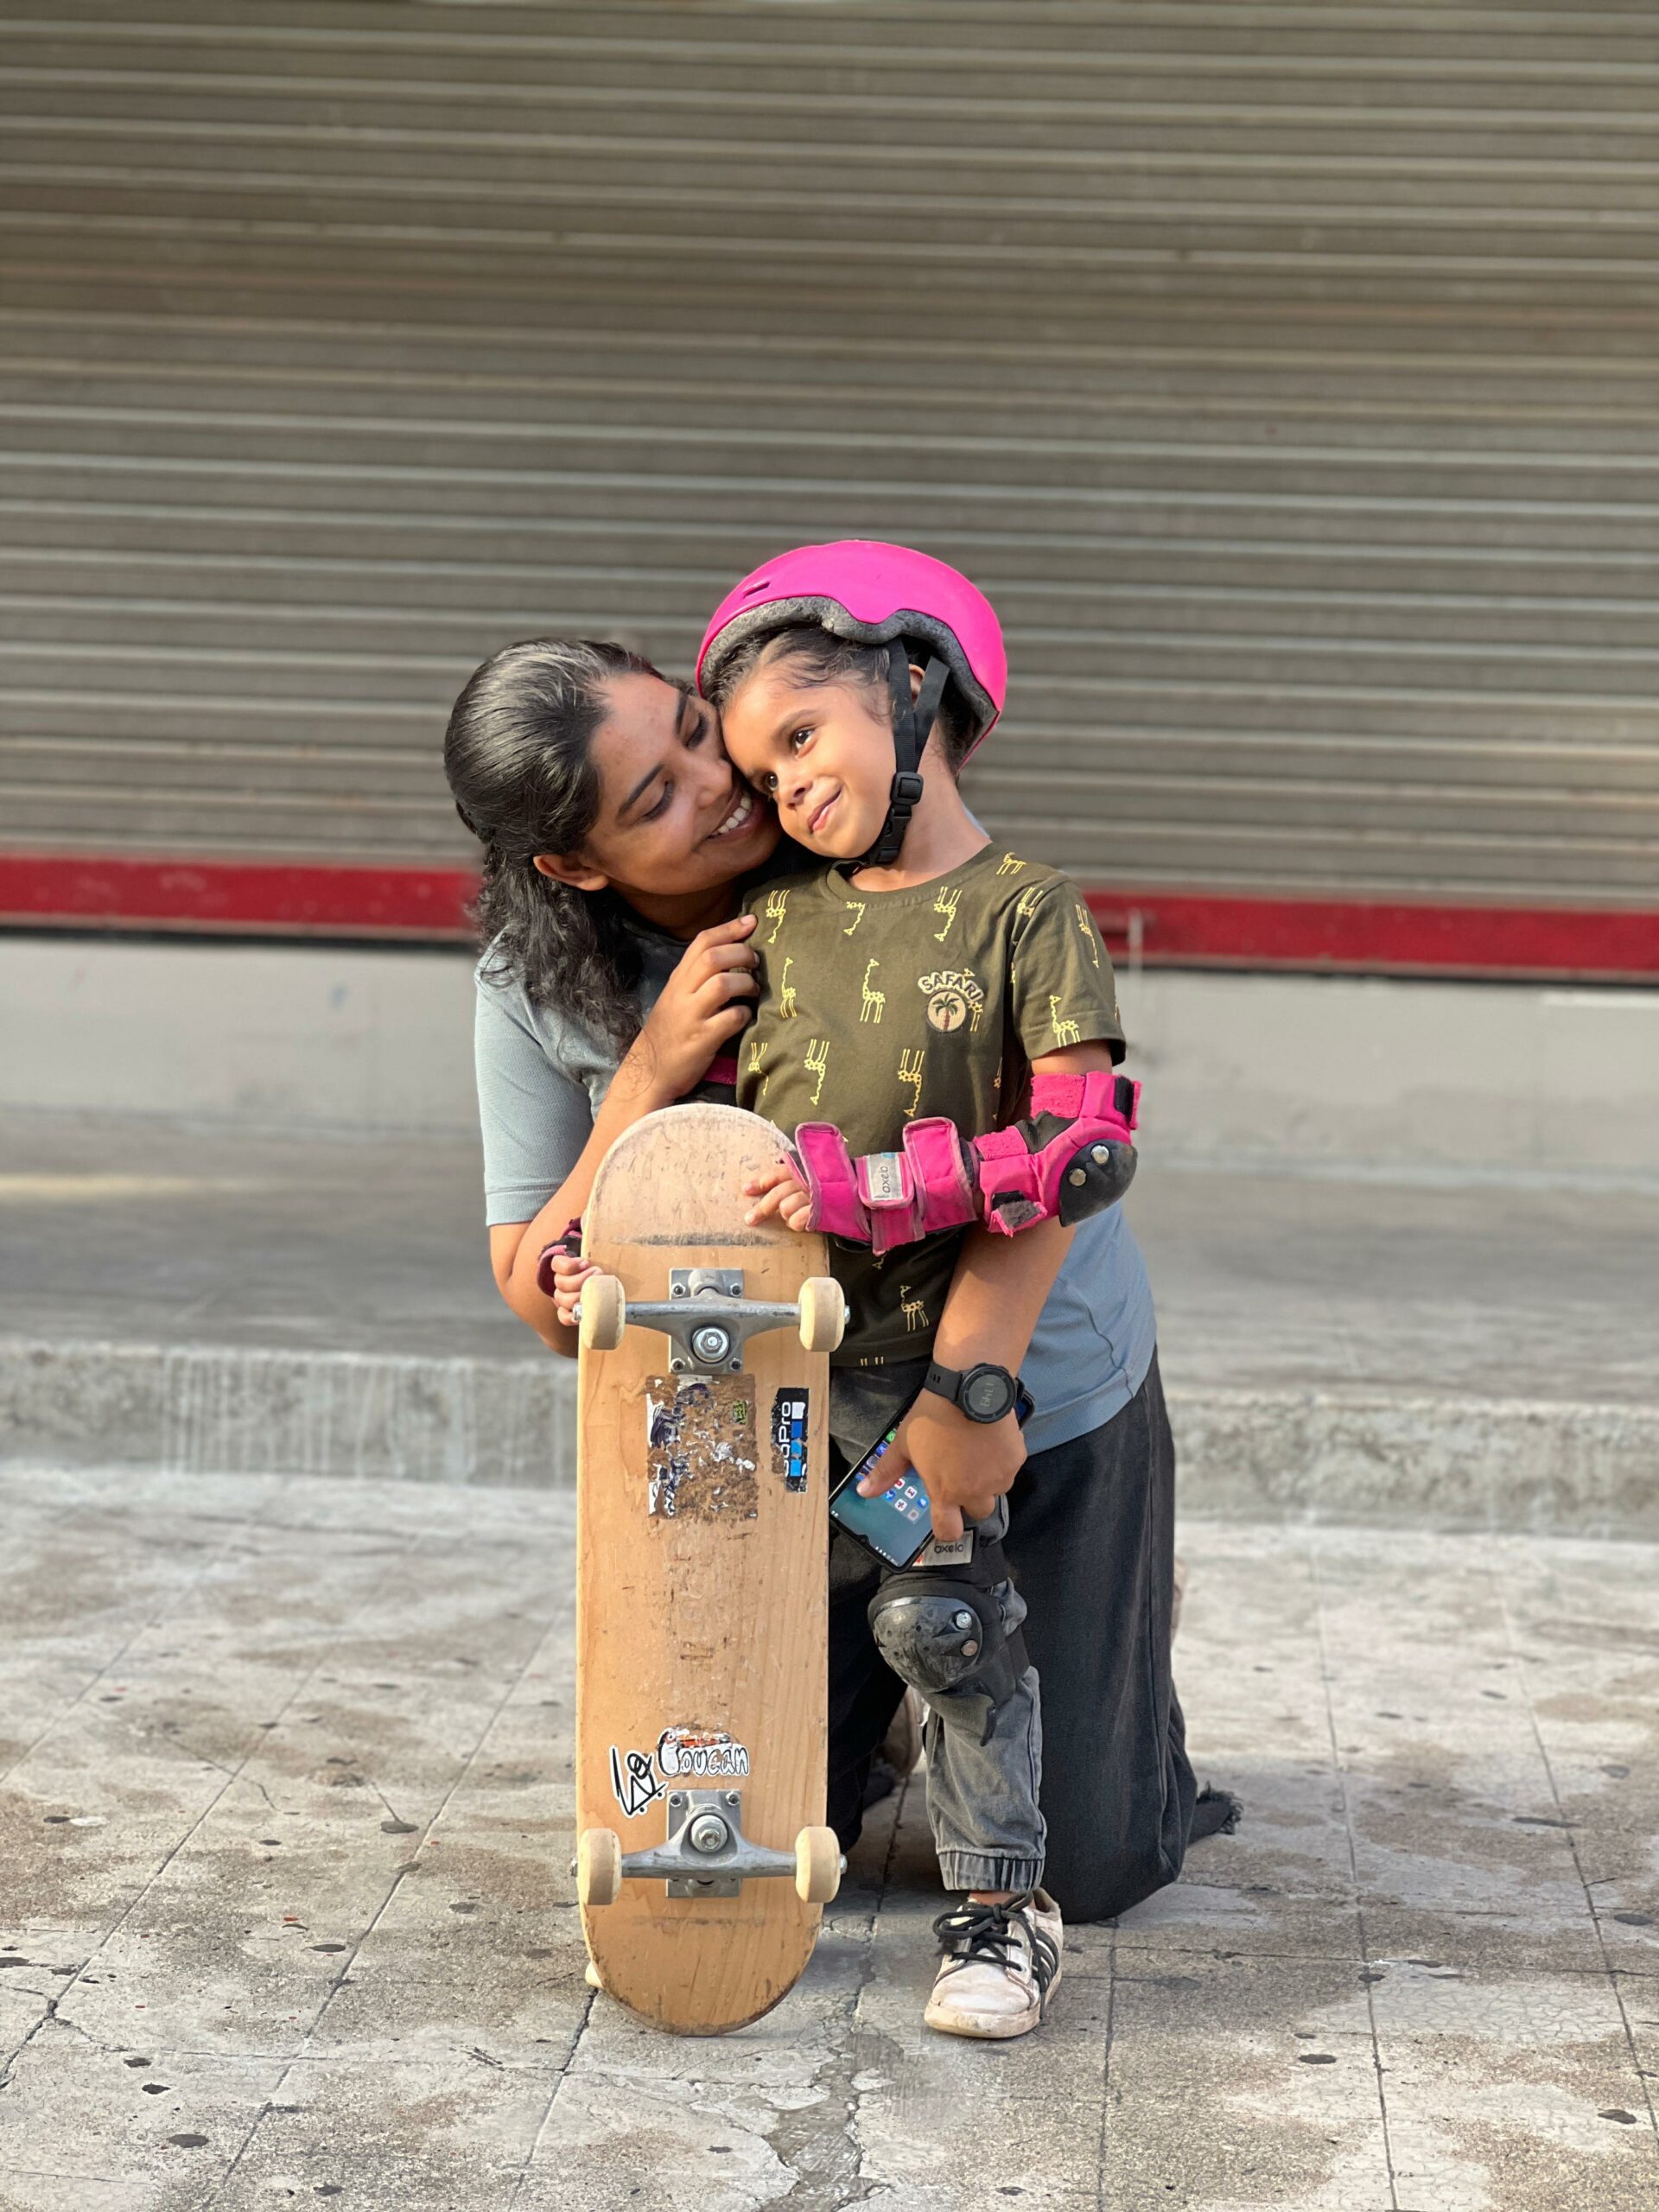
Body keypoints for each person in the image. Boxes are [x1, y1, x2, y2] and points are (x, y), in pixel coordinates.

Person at [442, 627, 1231, 2010]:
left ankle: (1100, 1656)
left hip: (1030, 1376)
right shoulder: (531, 984)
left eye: (696, 732)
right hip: (795, 1424)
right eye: (658, 800)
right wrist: (650, 1071)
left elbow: (1047, 1159)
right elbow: (548, 1301)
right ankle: (893, 1692)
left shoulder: (859, 846)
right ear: (574, 866)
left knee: (1100, 1862)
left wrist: (969, 1396)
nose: (725, 784)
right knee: (803, 1838)